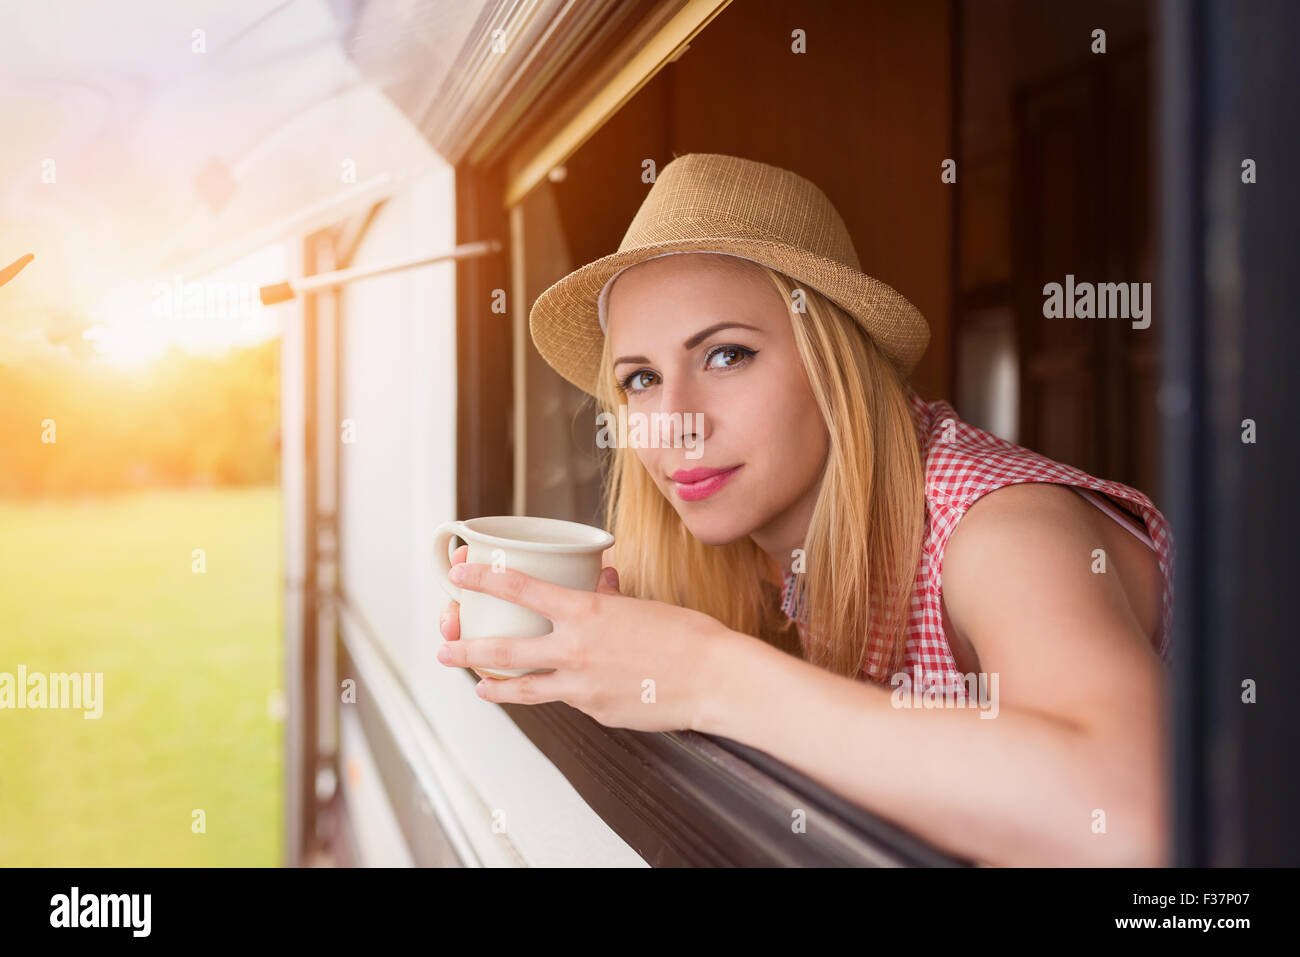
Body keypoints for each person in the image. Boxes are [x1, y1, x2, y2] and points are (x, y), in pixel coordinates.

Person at [436, 153, 1173, 867]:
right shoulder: (737, 536)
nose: (674, 422)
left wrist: (708, 674)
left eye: (726, 355)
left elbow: (1137, 817)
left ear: (833, 360)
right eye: (639, 378)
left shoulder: (1002, 529)